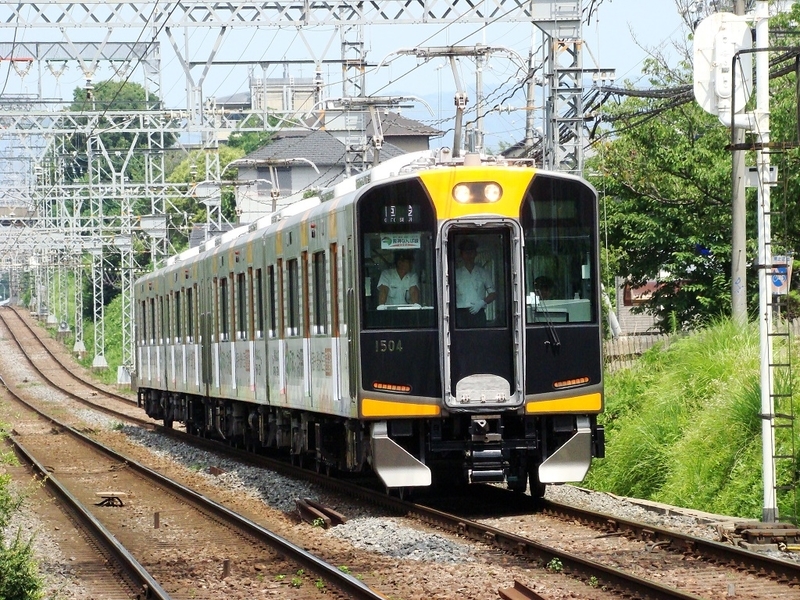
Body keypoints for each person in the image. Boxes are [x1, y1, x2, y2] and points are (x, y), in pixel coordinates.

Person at [455, 238, 496, 327]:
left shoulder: (483, 273)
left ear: (475, 254)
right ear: (461, 255)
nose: (469, 255)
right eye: (466, 252)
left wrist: (482, 302)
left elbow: (492, 294)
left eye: (471, 252)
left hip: (478, 314)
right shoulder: (455, 274)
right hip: (460, 314)